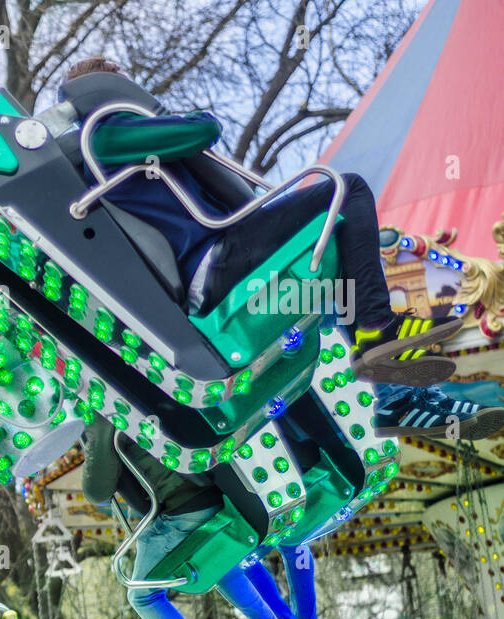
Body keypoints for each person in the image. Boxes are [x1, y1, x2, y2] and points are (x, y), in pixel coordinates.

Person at [61, 57, 504, 441]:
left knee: (336, 259)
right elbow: (202, 129)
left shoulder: (107, 144)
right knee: (344, 190)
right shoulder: (104, 131)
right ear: (106, 83)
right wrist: (162, 113)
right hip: (212, 258)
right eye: (121, 76)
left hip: (216, 254)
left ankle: (394, 393)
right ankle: (381, 346)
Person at [81, 417, 314, 619]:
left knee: (142, 596)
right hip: (209, 494)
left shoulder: (97, 413)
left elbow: (96, 491)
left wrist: (93, 438)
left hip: (180, 510)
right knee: (216, 563)